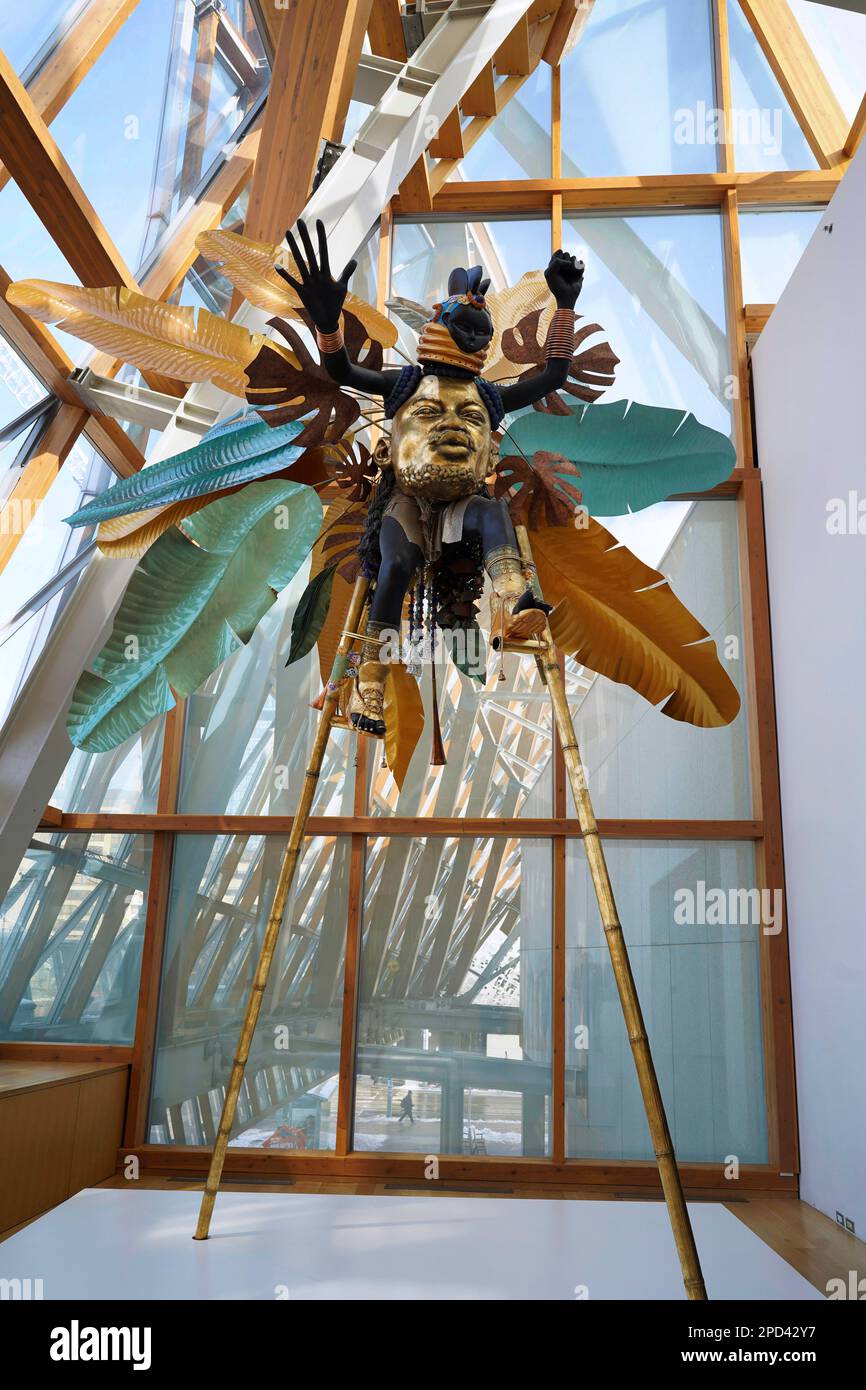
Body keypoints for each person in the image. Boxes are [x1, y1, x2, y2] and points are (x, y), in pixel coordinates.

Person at [279, 218, 585, 734]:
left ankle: (514, 602)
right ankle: (369, 684)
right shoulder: (405, 384)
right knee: (397, 561)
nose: (452, 425)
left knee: (490, 514)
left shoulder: (487, 396)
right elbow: (343, 374)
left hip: (460, 507)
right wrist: (328, 325)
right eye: (432, 418)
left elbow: (553, 375)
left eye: (467, 421)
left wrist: (566, 306)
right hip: (406, 500)